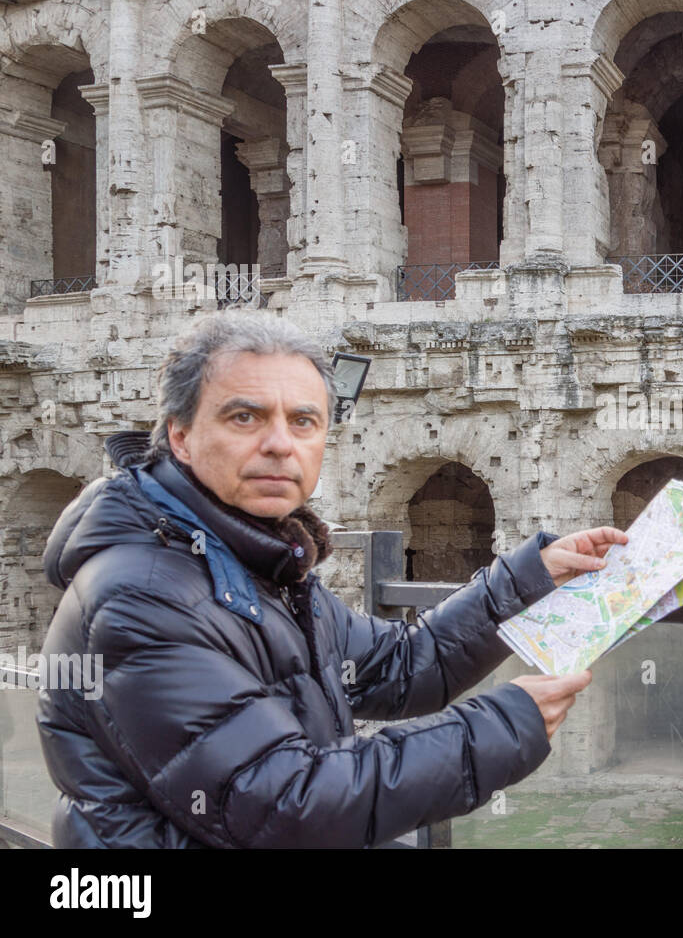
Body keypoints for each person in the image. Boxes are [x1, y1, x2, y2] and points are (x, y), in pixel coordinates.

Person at [36, 312, 627, 848]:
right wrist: (503, 726)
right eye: (245, 416)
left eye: (303, 421)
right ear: (181, 437)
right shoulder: (143, 594)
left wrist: (526, 579)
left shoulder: (251, 561)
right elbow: (287, 804)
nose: (279, 445)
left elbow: (398, 666)